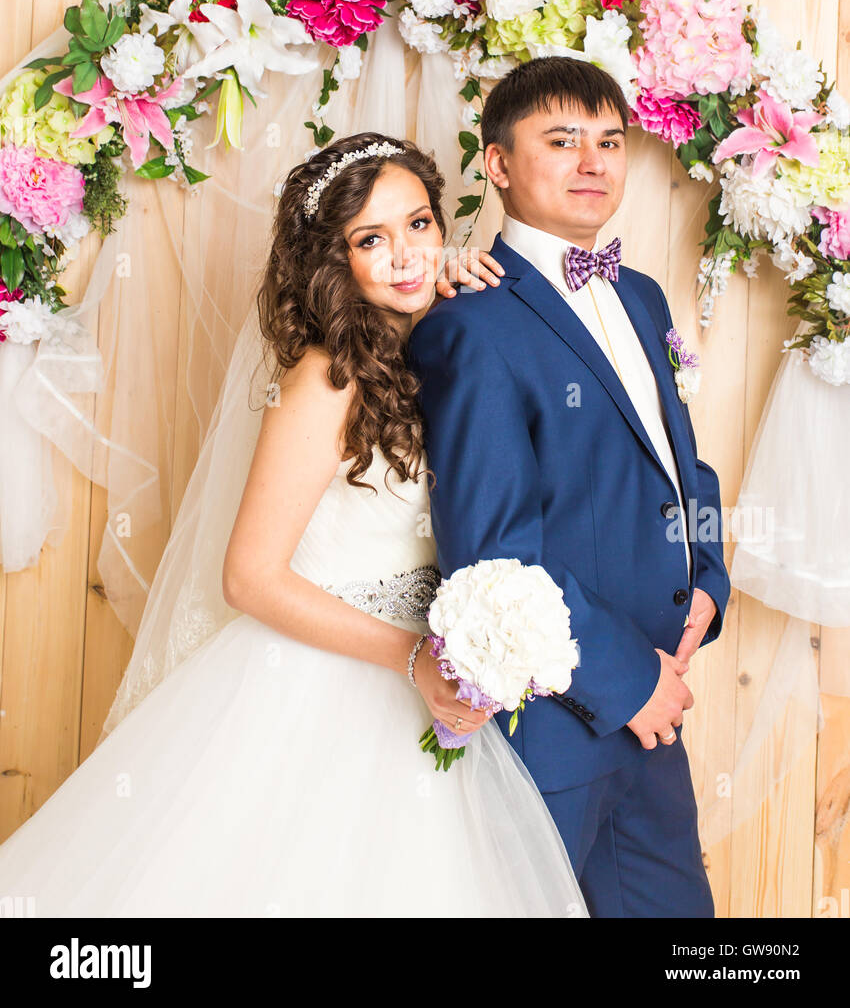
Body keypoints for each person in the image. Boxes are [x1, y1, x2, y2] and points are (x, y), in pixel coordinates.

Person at [0, 132, 587, 918]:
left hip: (423, 687)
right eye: (370, 240)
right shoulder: (325, 377)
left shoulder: (434, 346)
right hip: (325, 682)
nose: (407, 254)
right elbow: (249, 577)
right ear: (333, 260)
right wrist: (415, 656)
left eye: (420, 225)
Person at [407, 58, 731, 919]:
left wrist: (709, 580)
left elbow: (683, 463)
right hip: (556, 722)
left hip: (659, 707)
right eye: (561, 141)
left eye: (609, 141)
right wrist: (629, 682)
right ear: (500, 165)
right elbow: (494, 559)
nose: (593, 161)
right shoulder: (471, 321)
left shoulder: (641, 293)